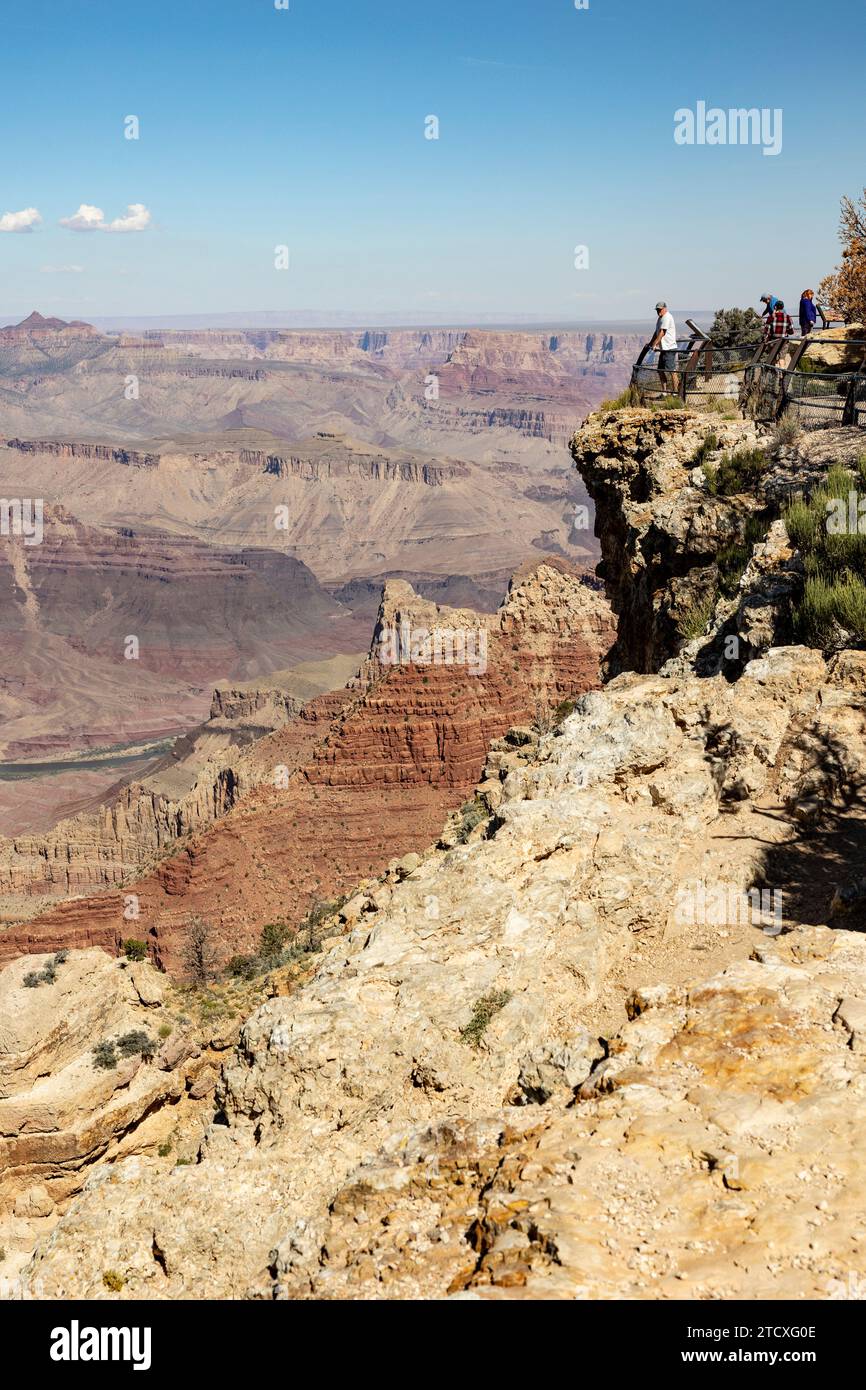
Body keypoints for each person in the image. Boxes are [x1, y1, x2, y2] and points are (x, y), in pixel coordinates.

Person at [649, 300, 678, 394]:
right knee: (660, 370)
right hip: (664, 349)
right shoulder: (660, 318)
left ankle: (675, 393)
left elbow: (662, 333)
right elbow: (656, 332)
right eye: (657, 310)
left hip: (669, 348)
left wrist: (655, 344)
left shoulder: (667, 317)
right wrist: (650, 343)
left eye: (660, 309)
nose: (658, 311)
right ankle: (664, 393)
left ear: (665, 309)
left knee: (672, 371)